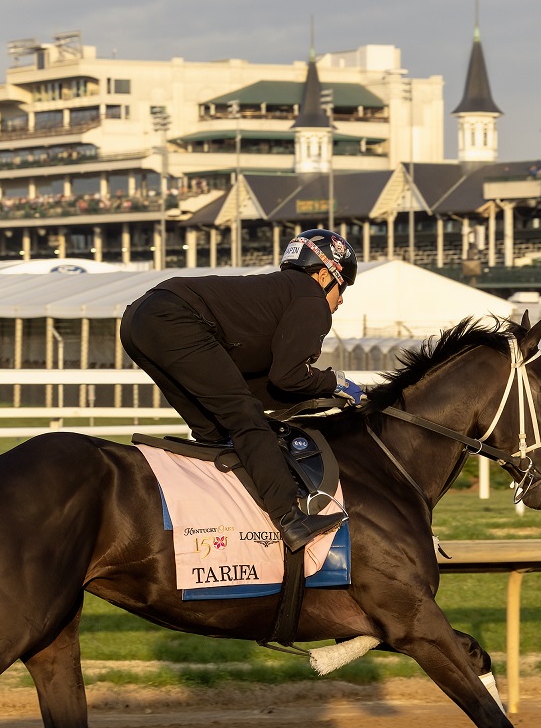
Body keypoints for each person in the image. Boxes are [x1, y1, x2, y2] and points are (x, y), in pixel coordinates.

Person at [120, 228, 365, 552]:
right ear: (322, 276)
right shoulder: (311, 299)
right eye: (342, 286)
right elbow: (289, 377)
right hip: (173, 316)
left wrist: (319, 394)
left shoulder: (278, 294)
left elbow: (266, 385)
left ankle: (221, 517)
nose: (341, 299)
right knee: (246, 419)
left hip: (139, 317)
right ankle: (290, 521)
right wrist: (337, 382)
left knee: (214, 430)